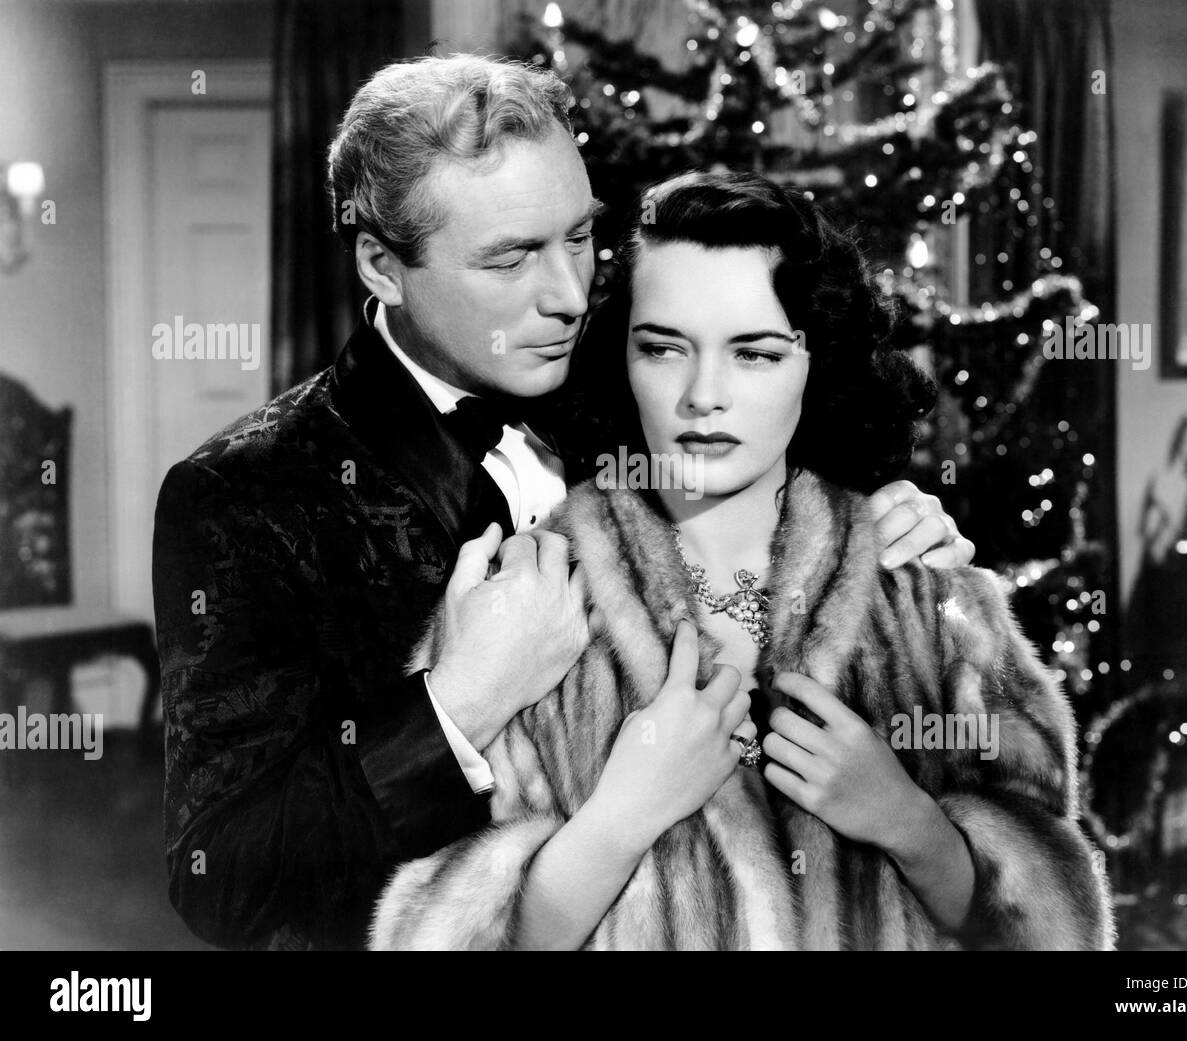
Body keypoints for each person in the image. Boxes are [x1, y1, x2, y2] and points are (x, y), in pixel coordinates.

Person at [152, 55, 970, 950]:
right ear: (383, 265)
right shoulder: (246, 495)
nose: (571, 296)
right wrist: (456, 703)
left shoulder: (643, 362)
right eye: (510, 258)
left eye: (579, 237)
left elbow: (788, 419)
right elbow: (223, 877)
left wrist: (884, 516)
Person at [369, 171, 1115, 951]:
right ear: (618, 357)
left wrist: (909, 822)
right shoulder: (526, 602)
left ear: (814, 362)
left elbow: (1057, 931)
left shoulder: (929, 595)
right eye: (663, 348)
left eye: (754, 354)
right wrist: (618, 819)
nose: (703, 395)